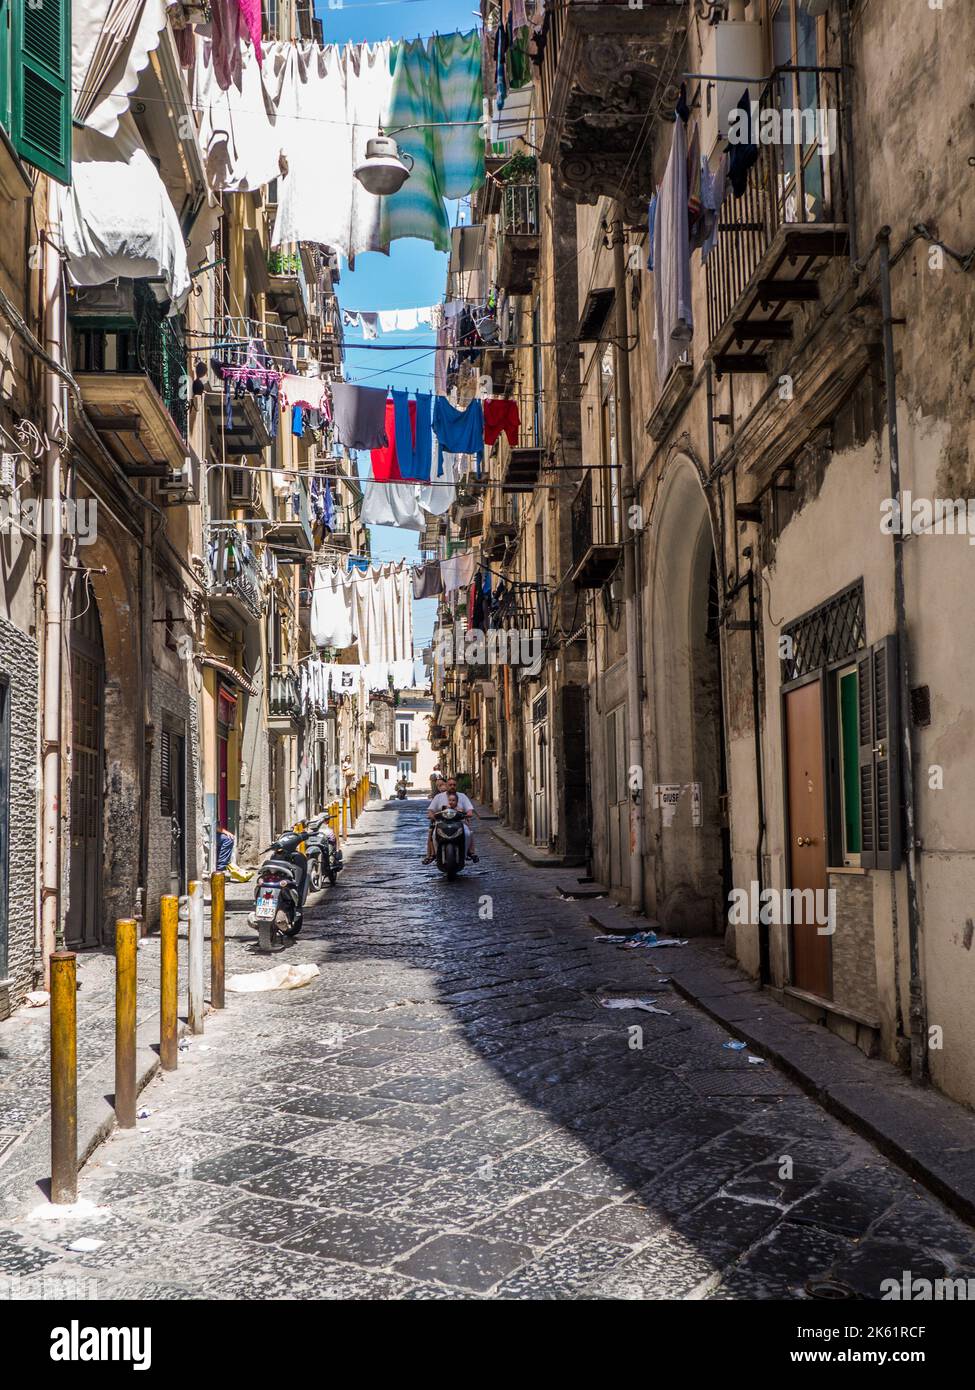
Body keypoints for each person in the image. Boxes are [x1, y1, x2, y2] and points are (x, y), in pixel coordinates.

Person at [422, 775, 478, 864]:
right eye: (450, 785)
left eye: (454, 785)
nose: (452, 786)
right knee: (432, 834)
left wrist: (468, 814)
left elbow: (469, 810)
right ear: (446, 785)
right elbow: (431, 810)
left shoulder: (462, 796)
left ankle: (470, 852)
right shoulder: (439, 797)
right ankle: (432, 854)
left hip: (460, 823)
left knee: (468, 833)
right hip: (441, 823)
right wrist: (431, 815)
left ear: (456, 786)